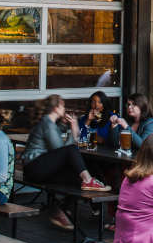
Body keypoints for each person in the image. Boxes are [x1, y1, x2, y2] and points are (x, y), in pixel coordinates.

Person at [22, 94, 110, 231]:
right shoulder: (47, 123)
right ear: (57, 108)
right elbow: (63, 151)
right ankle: (88, 180)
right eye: (63, 106)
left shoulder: (50, 123)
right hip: (34, 167)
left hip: (39, 168)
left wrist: (67, 125)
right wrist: (73, 128)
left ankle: (61, 209)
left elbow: (61, 145)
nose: (65, 109)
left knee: (76, 177)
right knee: (72, 152)